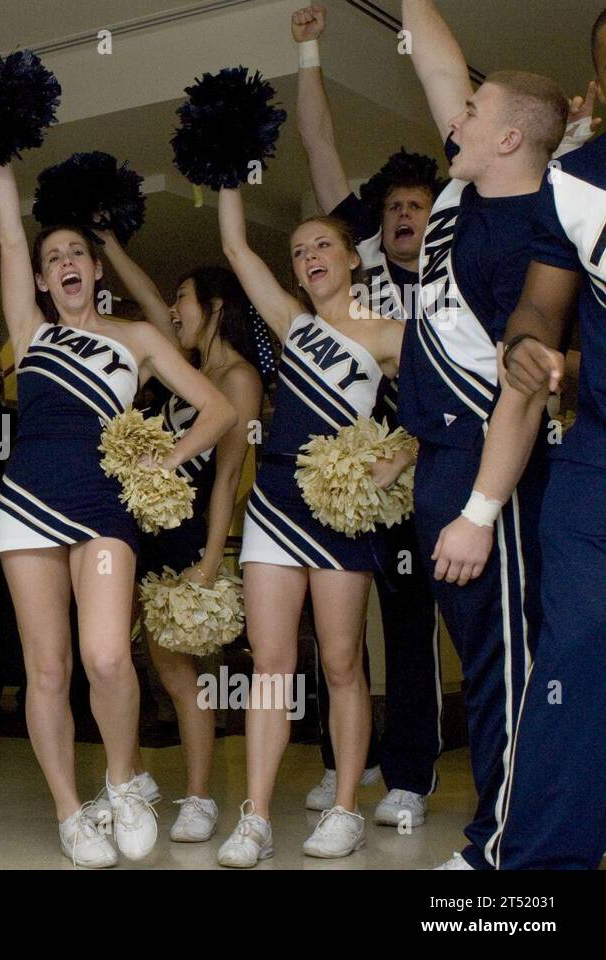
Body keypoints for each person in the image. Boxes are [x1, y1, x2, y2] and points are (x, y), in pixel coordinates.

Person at [0, 161, 235, 868]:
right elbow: (8, 241)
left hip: (103, 509)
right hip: (27, 505)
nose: (64, 263)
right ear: (39, 280)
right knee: (46, 669)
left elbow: (219, 411)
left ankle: (123, 780)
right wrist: (6, 161)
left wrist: (165, 458)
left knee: (104, 654)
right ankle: (70, 810)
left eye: (76, 254)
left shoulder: (137, 339)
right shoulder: (30, 329)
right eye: (51, 258)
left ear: (97, 270)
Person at [394, 0, 567, 871]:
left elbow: (523, 396)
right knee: (486, 659)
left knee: (508, 672)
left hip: (488, 473)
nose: (455, 115)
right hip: (442, 461)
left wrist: (478, 509)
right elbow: (435, 65)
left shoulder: (534, 236)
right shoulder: (467, 188)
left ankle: (501, 852)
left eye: (476, 110)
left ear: (511, 140)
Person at [213, 178, 410, 866]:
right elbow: (235, 247)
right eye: (299, 252)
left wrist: (396, 459)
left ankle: (347, 808)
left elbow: (439, 404)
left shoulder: (389, 333)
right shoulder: (294, 325)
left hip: (338, 506)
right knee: (269, 662)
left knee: (341, 661)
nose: (310, 257)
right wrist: (228, 169)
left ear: (353, 257)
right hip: (274, 499)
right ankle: (256, 816)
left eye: (323, 244)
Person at [451, 12, 606, 871]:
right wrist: (527, 343)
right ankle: (537, 879)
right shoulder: (578, 181)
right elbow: (543, 303)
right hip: (597, 455)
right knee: (576, 642)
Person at [291, 3, 444, 826]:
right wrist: (310, 52)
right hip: (345, 475)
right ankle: (340, 761)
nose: (403, 216)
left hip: (422, 470)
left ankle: (410, 779)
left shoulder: (457, 277)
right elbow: (319, 149)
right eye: (393, 208)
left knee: (411, 624)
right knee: (332, 619)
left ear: (437, 216)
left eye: (417, 206)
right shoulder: (358, 269)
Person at [98, 240, 272, 845]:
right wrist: (110, 244)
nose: (173, 310)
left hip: (186, 533)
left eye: (184, 300)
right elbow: (148, 303)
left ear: (215, 307)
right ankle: (135, 777)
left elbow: (227, 475)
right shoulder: (186, 368)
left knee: (177, 673)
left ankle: (198, 797)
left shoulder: (240, 379)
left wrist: (207, 557)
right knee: (118, 659)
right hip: (139, 527)